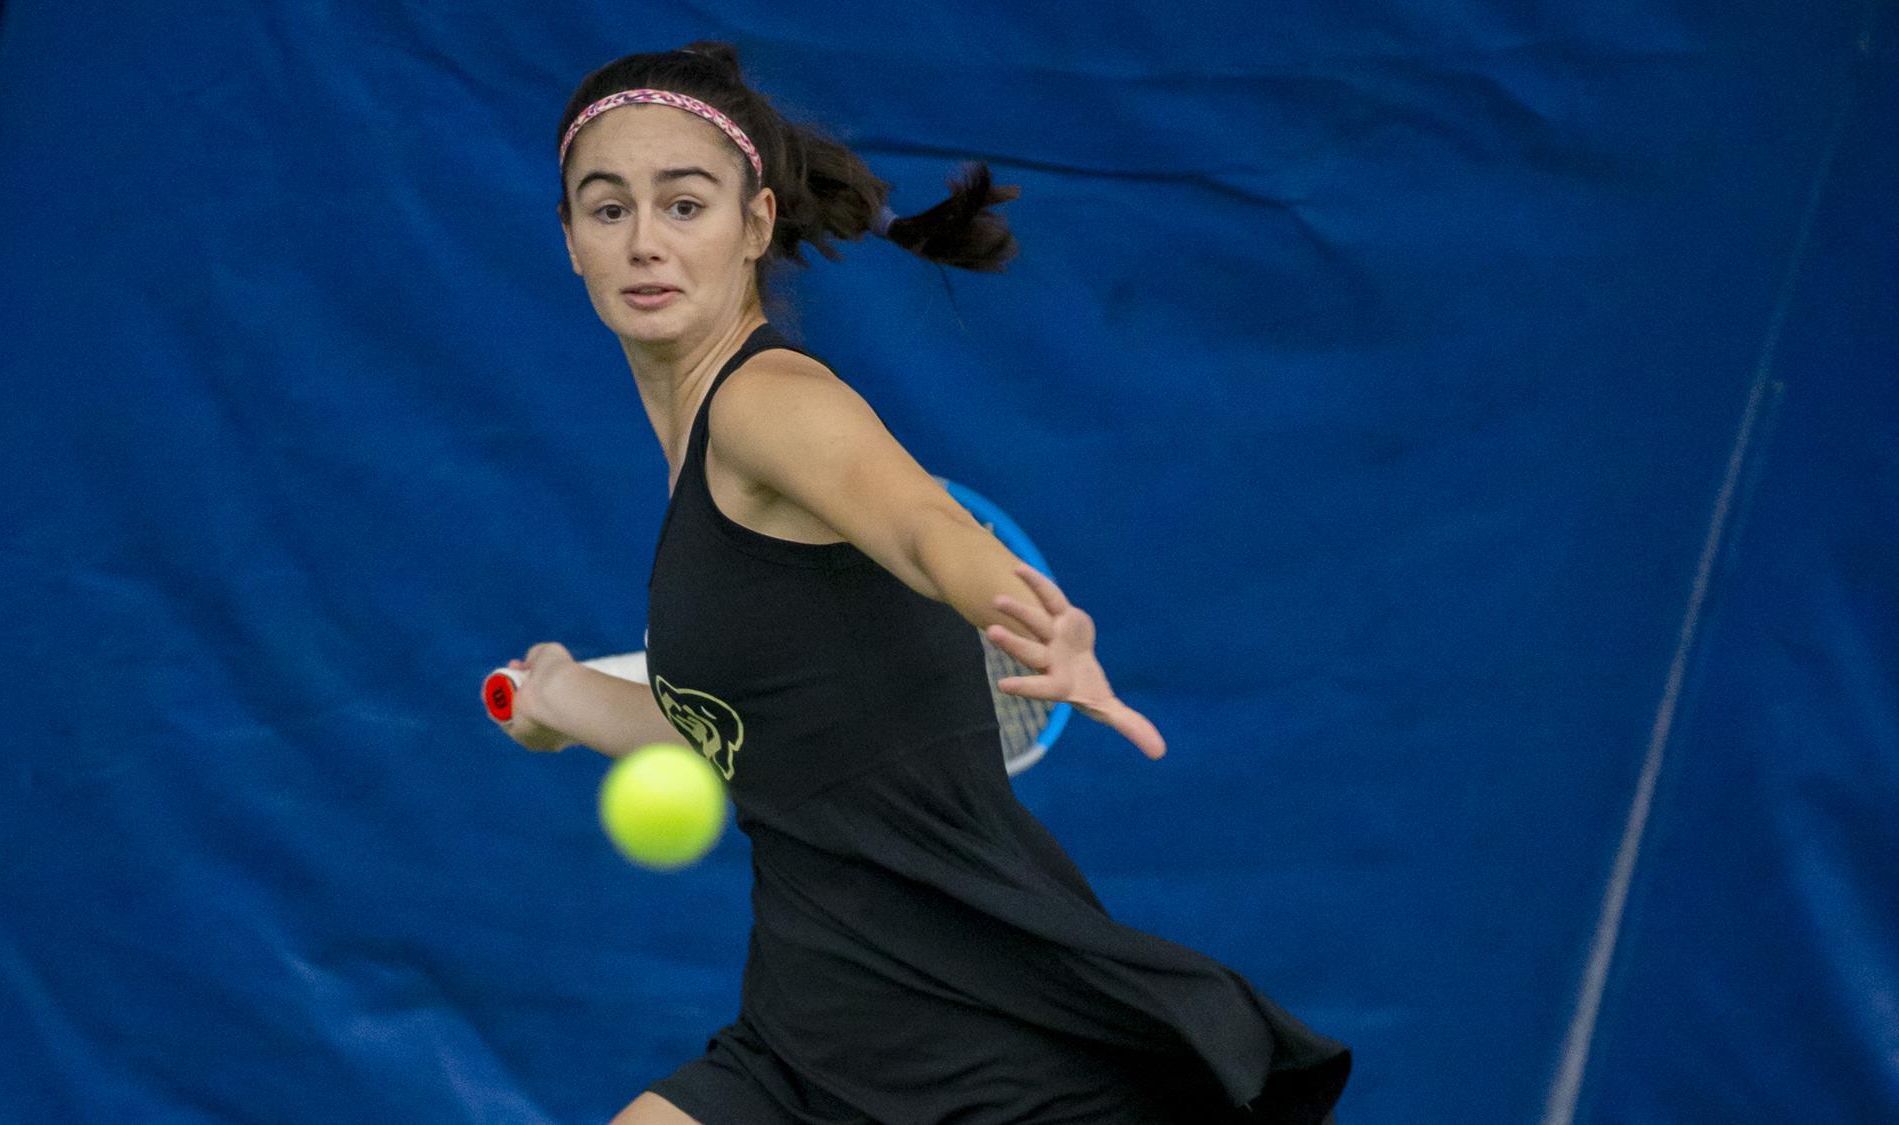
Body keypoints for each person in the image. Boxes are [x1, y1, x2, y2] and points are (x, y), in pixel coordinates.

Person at [494, 41, 1351, 1124]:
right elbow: (753, 741)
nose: (644, 241)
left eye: (685, 204)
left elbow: (919, 525)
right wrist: (562, 698)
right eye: (608, 208)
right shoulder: (697, 462)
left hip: (982, 1056)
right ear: (569, 239)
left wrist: (1023, 611)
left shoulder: (767, 404)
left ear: (754, 226)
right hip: (803, 1043)